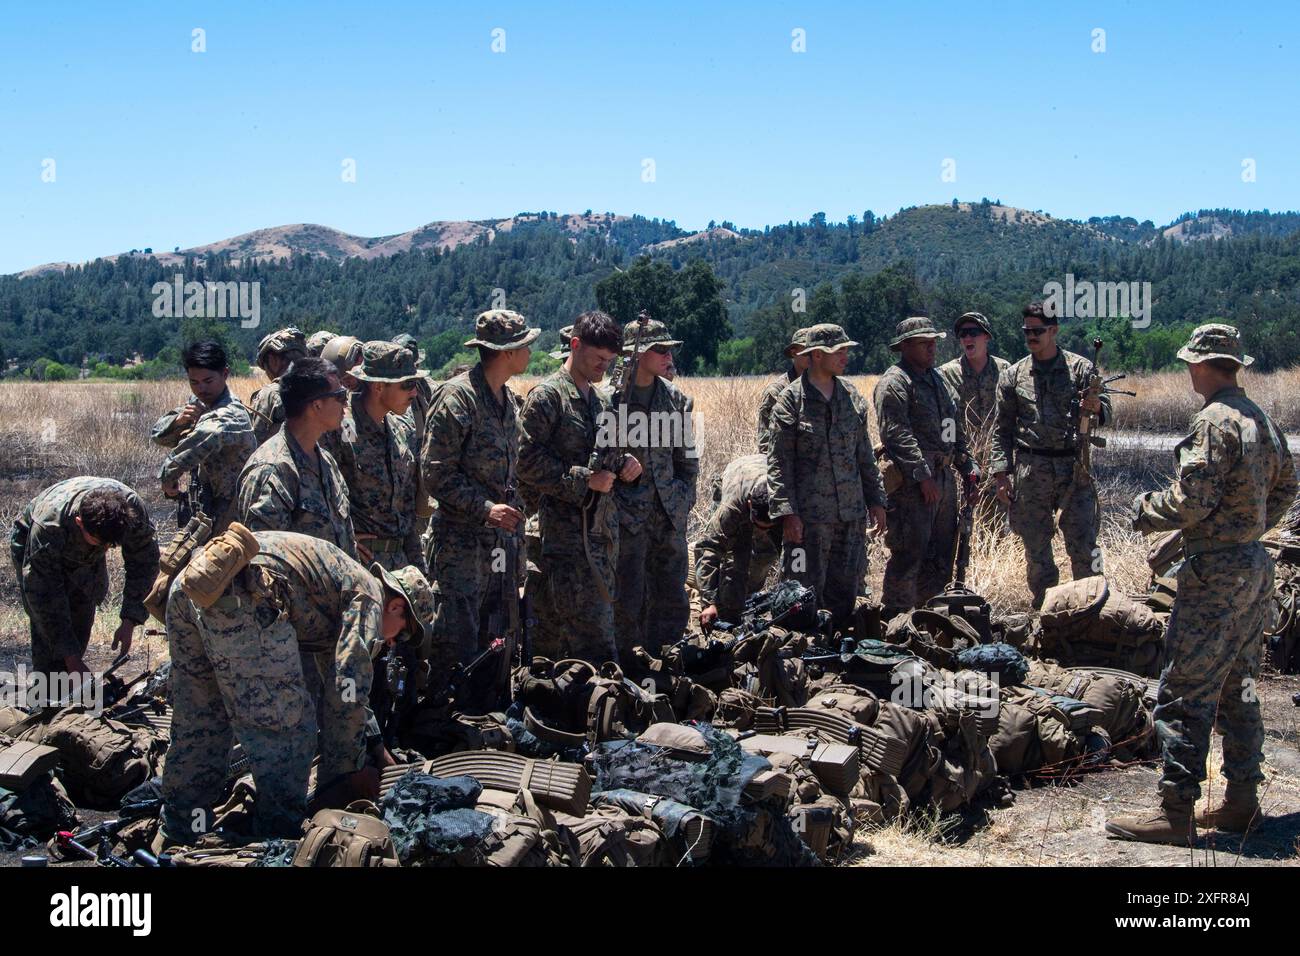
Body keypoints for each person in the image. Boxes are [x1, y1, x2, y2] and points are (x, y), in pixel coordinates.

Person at [1106, 325, 1299, 845]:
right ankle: (1241, 801)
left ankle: (1175, 811)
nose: (1189, 370)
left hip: (1214, 572)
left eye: (1192, 362)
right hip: (1254, 567)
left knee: (1183, 688)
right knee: (1240, 687)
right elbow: (1287, 486)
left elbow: (1192, 500)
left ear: (1203, 365)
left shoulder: (1213, 421)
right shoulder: (1262, 420)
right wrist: (1250, 525)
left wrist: (1147, 512)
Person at [160, 530, 390, 843]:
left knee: (200, 720)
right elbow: (346, 688)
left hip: (191, 585)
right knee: (285, 729)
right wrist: (343, 777)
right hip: (240, 599)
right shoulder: (369, 596)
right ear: (397, 607)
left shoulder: (337, 577)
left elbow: (336, 682)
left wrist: (371, 740)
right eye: (400, 634)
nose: (389, 642)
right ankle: (275, 843)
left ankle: (182, 830)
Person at [518, 310, 642, 663]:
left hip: (600, 537)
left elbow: (604, 457)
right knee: (558, 636)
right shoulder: (547, 398)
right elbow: (524, 462)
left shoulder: (601, 402)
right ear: (575, 345)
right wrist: (583, 480)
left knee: (596, 627)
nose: (604, 366)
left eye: (610, 360)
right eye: (598, 358)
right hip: (561, 540)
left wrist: (627, 465)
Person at [422, 310, 536, 677]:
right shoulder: (457, 399)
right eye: (524, 345)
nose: (530, 352)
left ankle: (488, 717)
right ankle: (447, 720)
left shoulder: (507, 402)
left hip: (500, 545)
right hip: (461, 544)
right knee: (457, 639)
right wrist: (485, 508)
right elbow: (435, 473)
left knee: (497, 639)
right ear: (506, 353)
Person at [989, 302, 1111, 609]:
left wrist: (1096, 406)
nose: (1031, 336)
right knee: (1037, 550)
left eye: (1038, 330)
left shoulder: (1081, 369)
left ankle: (1092, 608)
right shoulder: (1013, 376)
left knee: (1085, 545)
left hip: (1074, 469)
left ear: (1054, 331)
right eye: (1027, 331)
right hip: (1031, 471)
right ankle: (1045, 612)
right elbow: (1001, 430)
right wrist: (1001, 475)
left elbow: (1106, 408)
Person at [767, 323, 887, 628]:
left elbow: (864, 456)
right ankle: (800, 659)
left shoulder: (851, 397)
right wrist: (787, 513)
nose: (845, 356)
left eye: (847, 349)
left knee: (844, 592)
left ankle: (837, 659)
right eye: (839, 351)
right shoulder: (791, 401)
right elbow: (779, 464)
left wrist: (876, 501)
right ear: (817, 355)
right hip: (809, 520)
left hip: (850, 516)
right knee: (801, 595)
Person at [874, 317, 978, 616]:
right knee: (909, 555)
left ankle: (931, 619)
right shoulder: (894, 383)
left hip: (944, 480)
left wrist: (967, 465)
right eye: (924, 342)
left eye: (934, 341)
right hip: (911, 486)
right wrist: (922, 477)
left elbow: (952, 428)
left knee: (941, 556)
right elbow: (896, 434)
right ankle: (895, 622)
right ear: (905, 347)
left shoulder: (938, 381)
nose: (932, 347)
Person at [607, 319, 698, 657]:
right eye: (660, 349)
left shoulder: (677, 400)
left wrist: (683, 499)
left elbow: (688, 461)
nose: (667, 356)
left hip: (669, 515)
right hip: (626, 517)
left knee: (671, 594)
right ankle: (628, 665)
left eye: (669, 349)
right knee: (627, 594)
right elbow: (599, 460)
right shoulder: (609, 401)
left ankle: (670, 662)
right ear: (637, 353)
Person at [10, 478, 159, 679]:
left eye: (110, 545)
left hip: (81, 547)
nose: (106, 549)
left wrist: (130, 619)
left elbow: (145, 564)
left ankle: (69, 680)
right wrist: (71, 658)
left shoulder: (131, 509)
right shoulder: (49, 526)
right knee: (48, 635)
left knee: (82, 612)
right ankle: (48, 696)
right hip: (33, 544)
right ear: (80, 522)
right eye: (100, 543)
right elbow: (44, 599)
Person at [323, 341, 426, 573]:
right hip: (358, 567)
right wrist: (342, 539)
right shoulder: (341, 426)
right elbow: (321, 492)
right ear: (379, 386)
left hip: (399, 566)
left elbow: (406, 512)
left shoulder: (399, 429)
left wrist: (419, 568)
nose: (414, 392)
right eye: (407, 384)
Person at [237, 356, 355, 557]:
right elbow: (264, 563)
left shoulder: (326, 461)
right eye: (340, 396)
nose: (346, 404)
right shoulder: (271, 471)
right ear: (317, 405)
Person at [151, 340, 257, 533]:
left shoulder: (230, 414)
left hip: (231, 513)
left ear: (224, 374)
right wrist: (178, 421)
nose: (201, 389)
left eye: (208, 381)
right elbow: (158, 436)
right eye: (194, 382)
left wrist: (168, 475)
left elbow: (202, 439)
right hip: (204, 506)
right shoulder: (200, 404)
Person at [938, 311, 1010, 528]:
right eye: (962, 334)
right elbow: (944, 421)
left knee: (994, 528)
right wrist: (950, 456)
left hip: (996, 462)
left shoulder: (1005, 370)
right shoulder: (947, 374)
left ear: (986, 336)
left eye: (973, 332)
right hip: (961, 462)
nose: (967, 338)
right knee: (958, 525)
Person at [694, 453, 782, 630]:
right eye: (759, 526)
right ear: (750, 505)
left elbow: (793, 550)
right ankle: (725, 606)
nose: (763, 532)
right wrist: (708, 602)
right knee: (735, 558)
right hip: (735, 476)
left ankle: (747, 598)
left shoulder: (783, 499)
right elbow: (708, 548)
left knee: (766, 554)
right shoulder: (731, 509)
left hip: (762, 474)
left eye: (767, 527)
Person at [756, 328, 812, 455]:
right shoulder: (776, 392)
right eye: (805, 351)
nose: (810, 356)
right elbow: (765, 444)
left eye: (814, 351)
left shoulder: (824, 388)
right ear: (794, 353)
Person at [248, 327, 308, 445]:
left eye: (265, 366)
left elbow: (254, 443)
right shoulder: (323, 389)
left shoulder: (271, 394)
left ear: (273, 360)